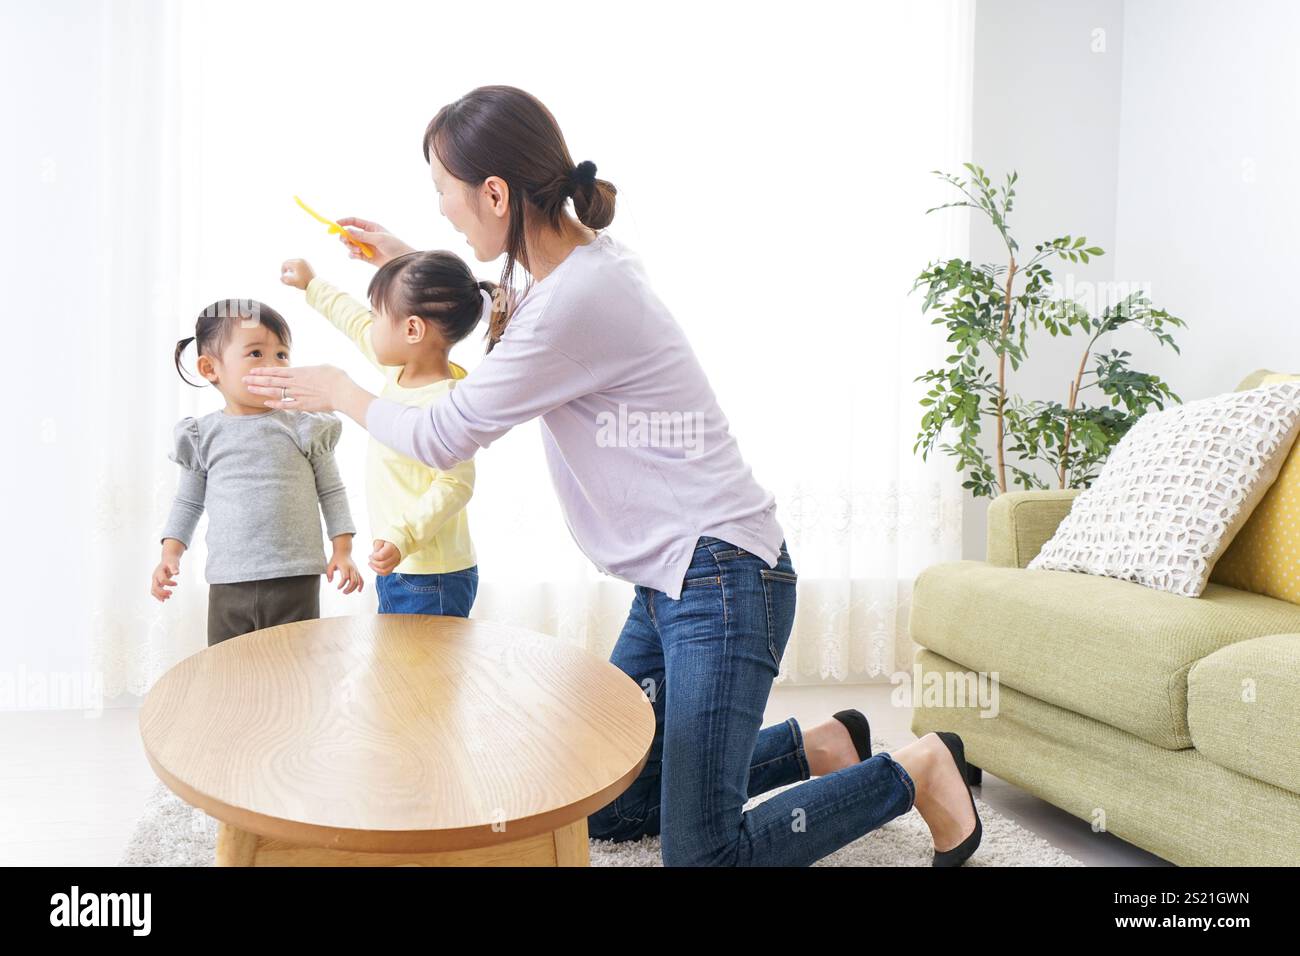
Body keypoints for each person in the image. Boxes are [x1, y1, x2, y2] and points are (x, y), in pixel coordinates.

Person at [244, 85, 981, 866]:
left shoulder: (575, 300)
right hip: (673, 583)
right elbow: (506, 310)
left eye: (445, 196)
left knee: (704, 857)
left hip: (724, 582)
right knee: (607, 799)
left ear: (495, 194)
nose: (444, 215)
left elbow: (443, 432)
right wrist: (401, 261)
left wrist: (338, 391)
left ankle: (917, 770)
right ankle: (822, 746)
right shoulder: (573, 266)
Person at [281, 253, 484, 617]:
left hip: (430, 576)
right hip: (402, 565)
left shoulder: (447, 404)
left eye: (378, 315)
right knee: (402, 670)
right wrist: (312, 285)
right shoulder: (400, 372)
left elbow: (455, 485)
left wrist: (401, 537)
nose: (370, 323)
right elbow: (355, 322)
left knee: (422, 674)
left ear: (412, 331)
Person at [152, 299, 363, 646]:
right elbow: (188, 502)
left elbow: (332, 490)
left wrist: (342, 549)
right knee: (233, 673)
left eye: (282, 355)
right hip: (228, 581)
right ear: (210, 368)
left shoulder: (305, 426)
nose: (274, 366)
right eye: (255, 354)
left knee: (294, 670)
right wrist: (170, 554)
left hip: (295, 576)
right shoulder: (201, 435)